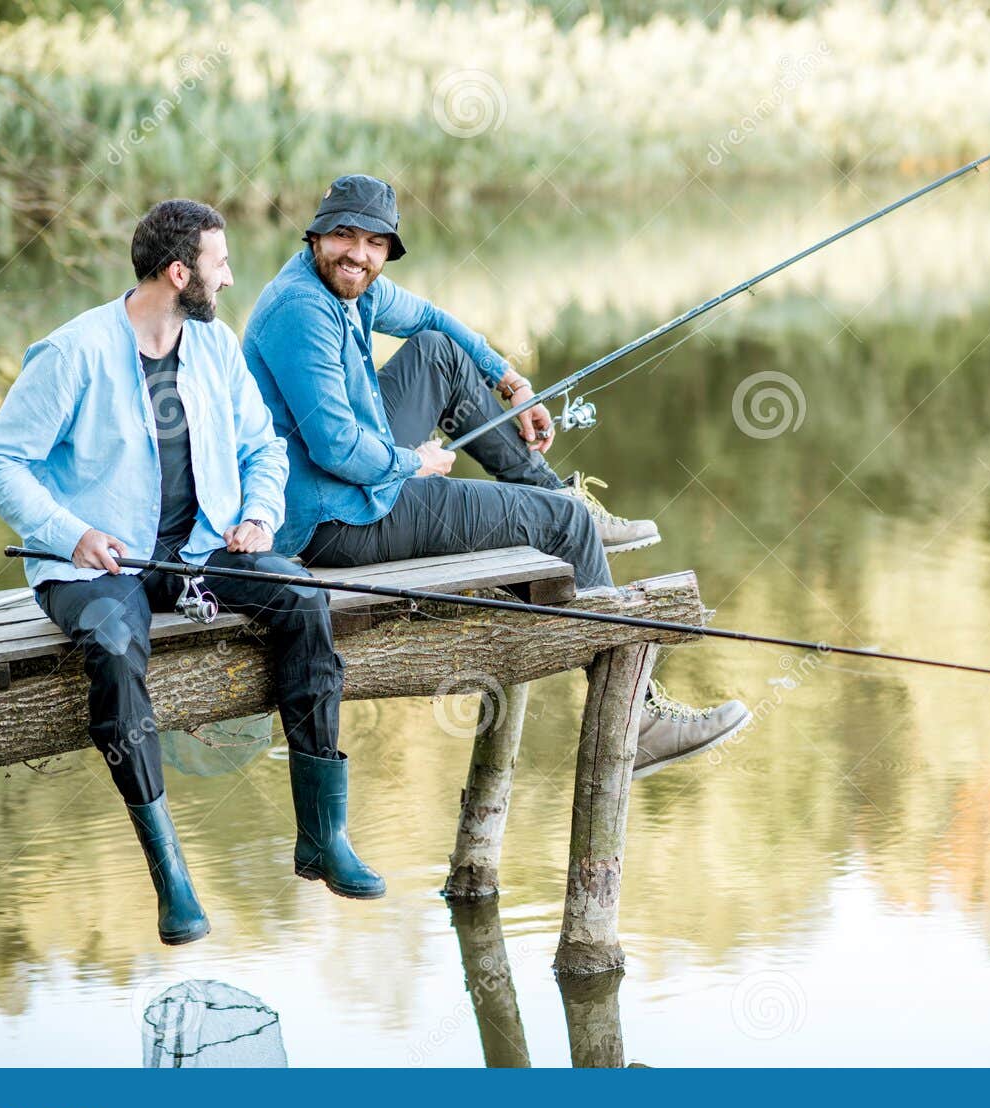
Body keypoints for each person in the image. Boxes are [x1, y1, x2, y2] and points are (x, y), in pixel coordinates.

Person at [0, 199, 382, 947]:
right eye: (219, 264)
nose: (228, 278)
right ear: (178, 272)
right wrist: (71, 533)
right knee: (115, 648)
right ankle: (172, 875)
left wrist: (258, 513)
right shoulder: (73, 354)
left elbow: (265, 448)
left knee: (301, 599)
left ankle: (323, 836)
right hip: (95, 564)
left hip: (200, 547)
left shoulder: (214, 346)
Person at [243, 175, 750, 776]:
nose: (359, 253)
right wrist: (417, 463)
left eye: (375, 243)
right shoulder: (303, 310)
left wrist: (510, 381)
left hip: (358, 480)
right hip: (334, 517)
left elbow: (431, 317)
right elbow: (334, 448)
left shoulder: (349, 291)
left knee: (441, 352)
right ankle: (635, 722)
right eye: (344, 236)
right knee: (561, 527)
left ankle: (562, 499)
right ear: (317, 235)